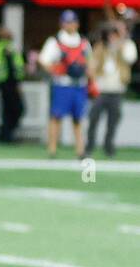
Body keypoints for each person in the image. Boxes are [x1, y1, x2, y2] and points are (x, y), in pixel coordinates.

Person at [41, 10, 91, 158]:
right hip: (62, 83)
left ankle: (80, 150)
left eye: (73, 22)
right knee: (56, 116)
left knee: (78, 118)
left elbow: (89, 62)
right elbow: (44, 60)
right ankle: (52, 149)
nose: (70, 25)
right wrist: (55, 70)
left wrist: (90, 77)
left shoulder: (83, 42)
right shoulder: (55, 41)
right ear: (62, 23)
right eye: (67, 22)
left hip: (79, 84)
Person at [86, 21, 136, 158]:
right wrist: (93, 82)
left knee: (113, 121)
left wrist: (121, 43)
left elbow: (130, 58)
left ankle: (109, 147)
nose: (113, 37)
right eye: (111, 34)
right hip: (101, 90)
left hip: (117, 90)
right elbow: (92, 65)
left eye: (115, 34)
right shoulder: (100, 47)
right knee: (93, 118)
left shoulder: (127, 45)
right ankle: (89, 146)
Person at [0, 26, 25, 143]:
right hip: (7, 82)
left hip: (10, 82)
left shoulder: (9, 46)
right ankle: (6, 135)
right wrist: (16, 83)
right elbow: (9, 67)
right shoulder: (2, 46)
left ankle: (6, 133)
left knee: (12, 109)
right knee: (12, 109)